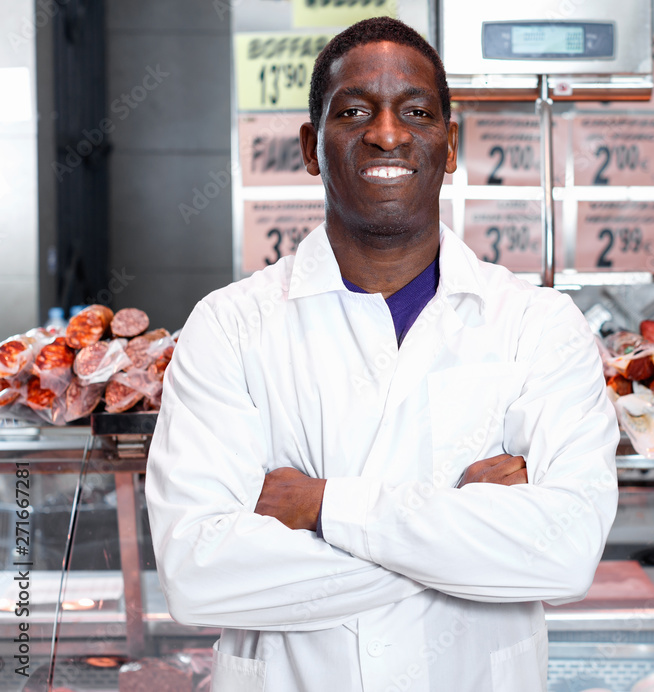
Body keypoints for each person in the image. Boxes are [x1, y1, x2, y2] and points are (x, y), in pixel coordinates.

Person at [145, 16, 618, 692]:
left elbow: (564, 554)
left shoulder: (537, 324)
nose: (387, 133)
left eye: (417, 112)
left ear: (450, 146)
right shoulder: (229, 326)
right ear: (311, 147)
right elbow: (198, 577)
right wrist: (463, 533)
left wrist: (322, 506)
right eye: (354, 111)